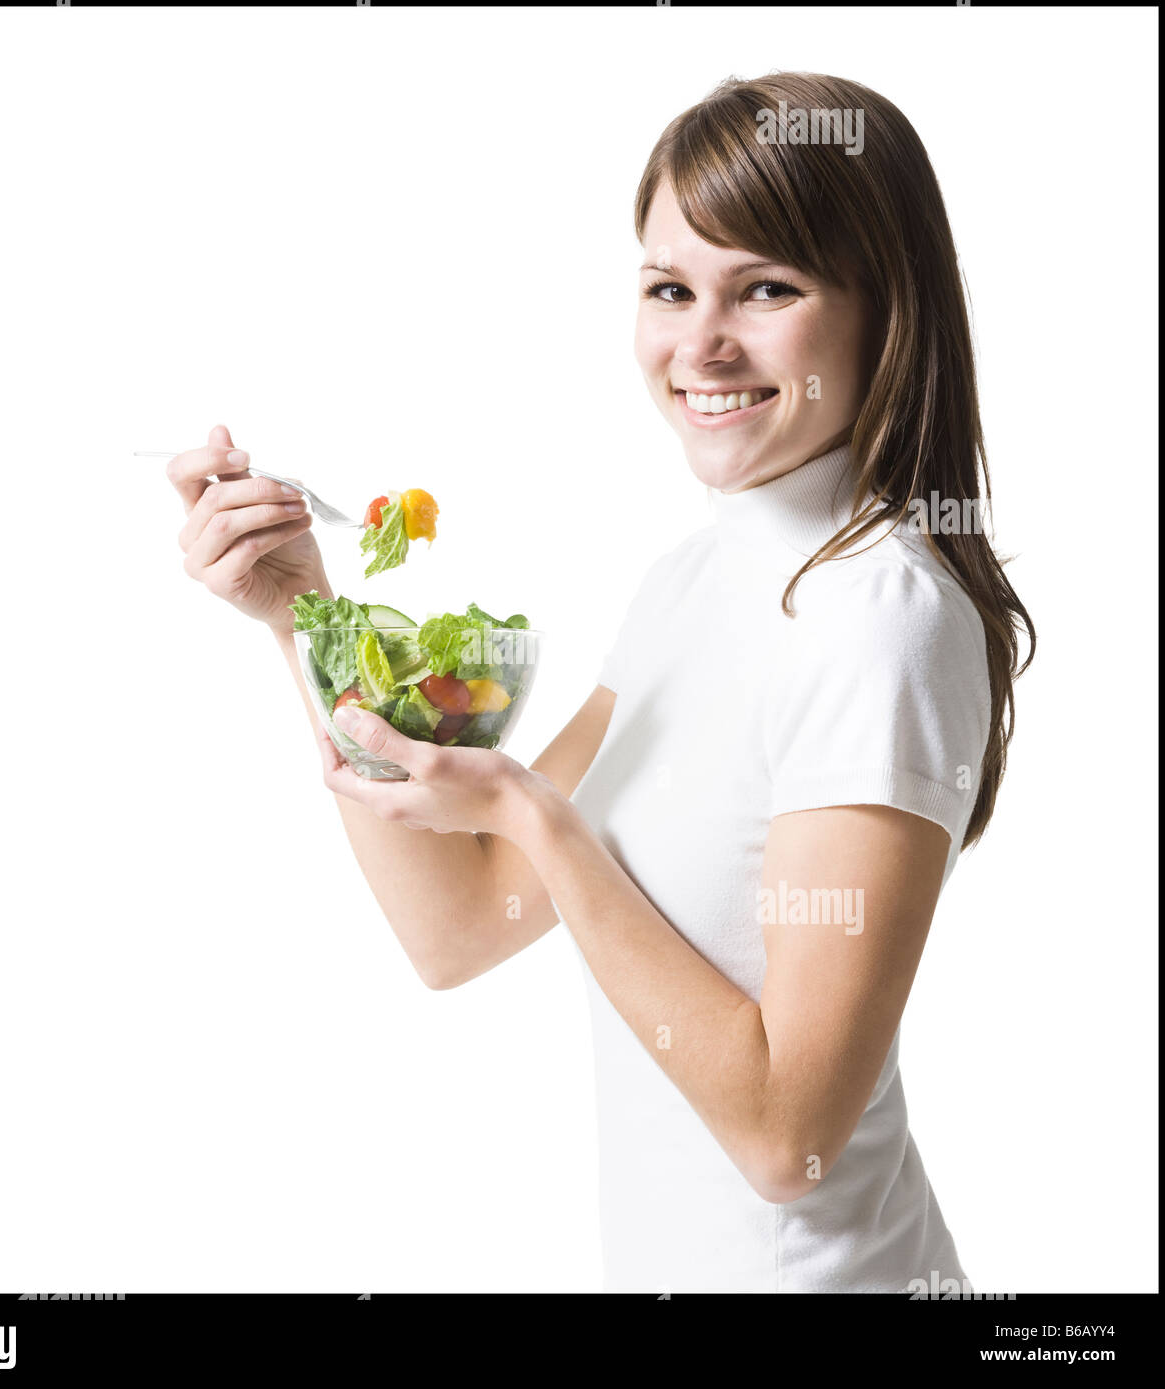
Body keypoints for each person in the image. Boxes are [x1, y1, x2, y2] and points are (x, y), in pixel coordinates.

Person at [165, 71, 1034, 1293]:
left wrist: (537, 814)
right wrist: (303, 612)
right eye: (670, 288)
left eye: (768, 289)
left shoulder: (877, 616)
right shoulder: (696, 579)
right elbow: (457, 927)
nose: (702, 345)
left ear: (883, 313)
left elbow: (795, 1141)